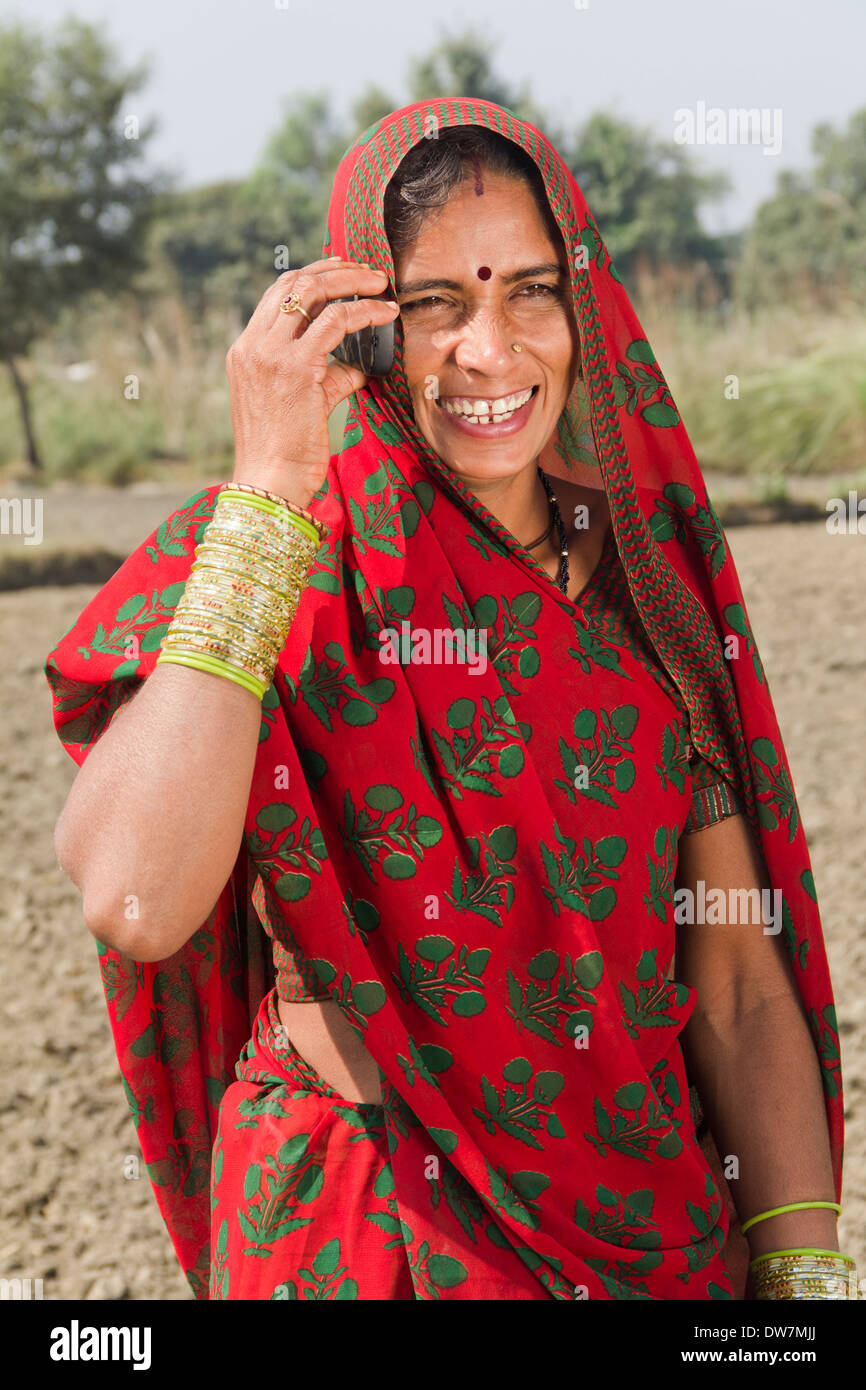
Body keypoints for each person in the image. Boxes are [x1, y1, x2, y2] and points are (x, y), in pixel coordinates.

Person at [45, 98, 854, 1302]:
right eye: (434, 305)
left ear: (582, 305)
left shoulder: (643, 583)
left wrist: (801, 1281)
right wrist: (267, 484)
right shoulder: (274, 561)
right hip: (374, 1233)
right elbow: (134, 901)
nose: (491, 349)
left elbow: (732, 985)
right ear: (359, 325)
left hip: (651, 1232)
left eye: (532, 290)